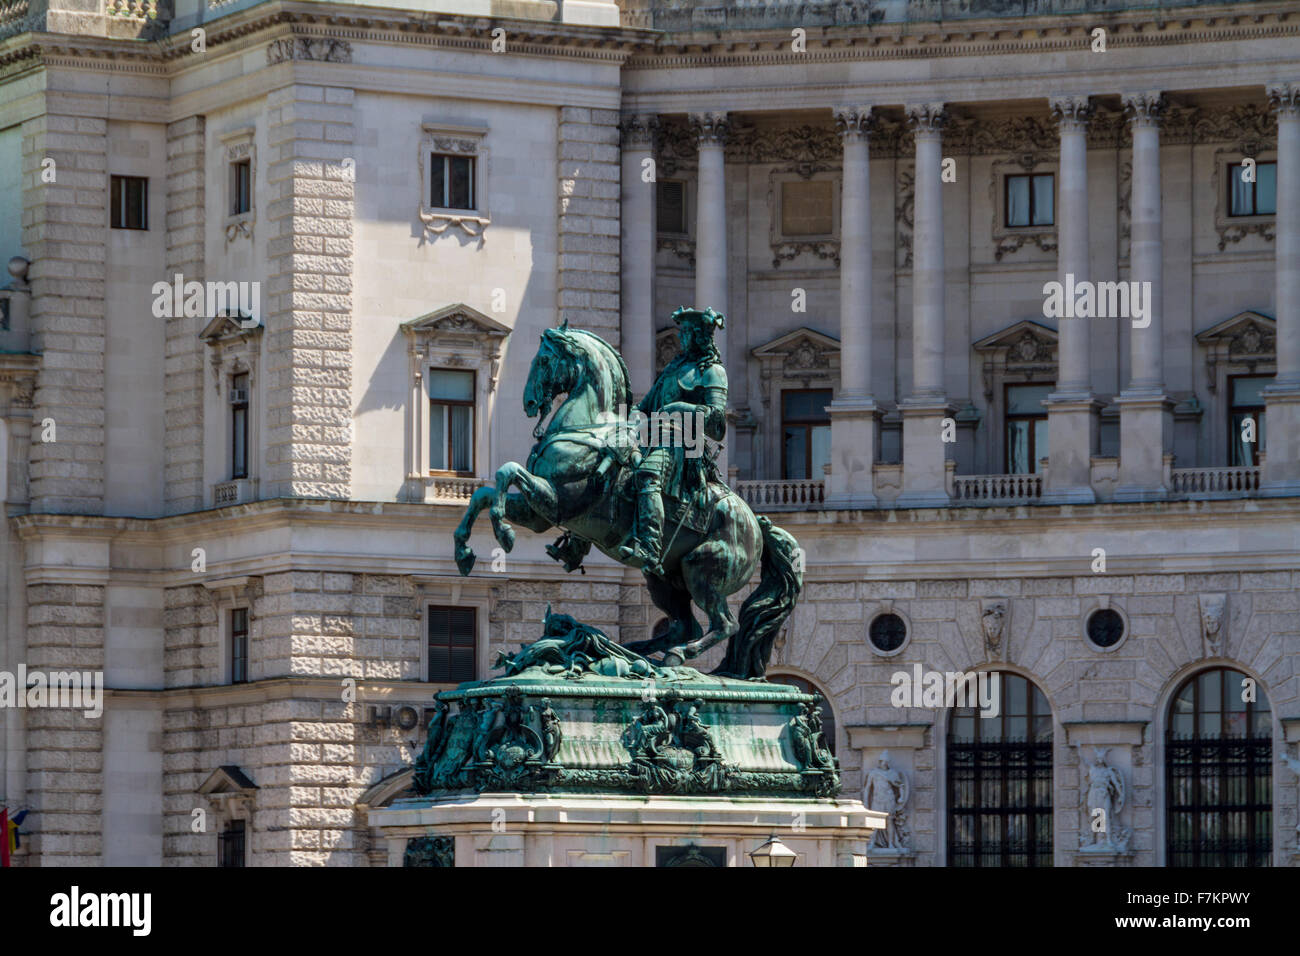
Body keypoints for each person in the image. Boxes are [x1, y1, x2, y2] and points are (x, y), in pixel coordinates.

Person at [619, 306, 728, 576]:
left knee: (647, 475)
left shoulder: (712, 372)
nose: (683, 338)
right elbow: (644, 407)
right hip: (652, 437)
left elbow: (717, 424)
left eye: (689, 332)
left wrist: (678, 408)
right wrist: (631, 419)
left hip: (684, 445)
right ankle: (576, 543)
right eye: (683, 332)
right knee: (608, 463)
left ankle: (650, 547)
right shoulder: (672, 370)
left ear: (702, 336)